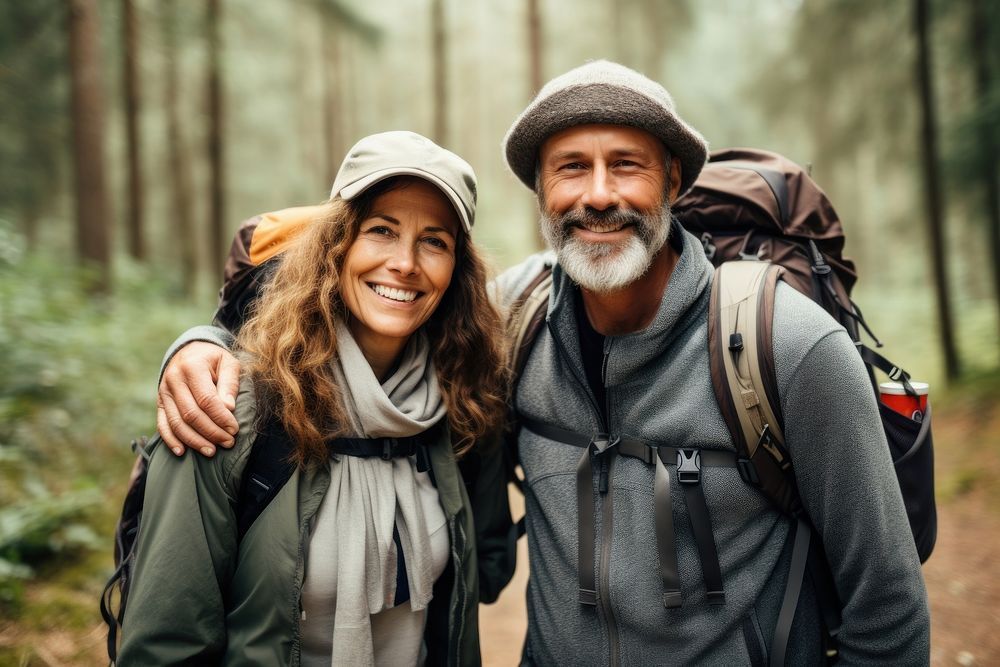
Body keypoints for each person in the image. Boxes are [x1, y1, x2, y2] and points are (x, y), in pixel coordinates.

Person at [156, 62, 930, 665]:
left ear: (672, 181)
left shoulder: (784, 347)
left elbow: (887, 603)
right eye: (570, 168)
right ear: (540, 193)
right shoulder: (510, 324)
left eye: (625, 164)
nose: (597, 195)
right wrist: (202, 343)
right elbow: (356, 319)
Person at [118, 131, 512, 666]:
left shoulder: (458, 408)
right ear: (336, 246)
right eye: (381, 230)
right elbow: (166, 645)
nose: (405, 263)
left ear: (456, 273)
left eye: (434, 241)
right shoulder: (225, 408)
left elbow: (483, 576)